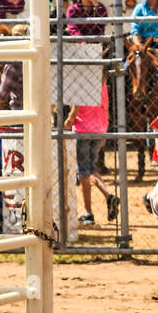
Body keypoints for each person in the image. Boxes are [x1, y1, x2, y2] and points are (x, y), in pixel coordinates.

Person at [64, 81, 118, 225]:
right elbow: (105, 108)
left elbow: (75, 111)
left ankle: (88, 213)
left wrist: (67, 122)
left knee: (84, 172)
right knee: (91, 169)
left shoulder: (78, 85)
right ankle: (109, 197)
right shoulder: (101, 85)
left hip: (82, 131)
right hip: (99, 129)